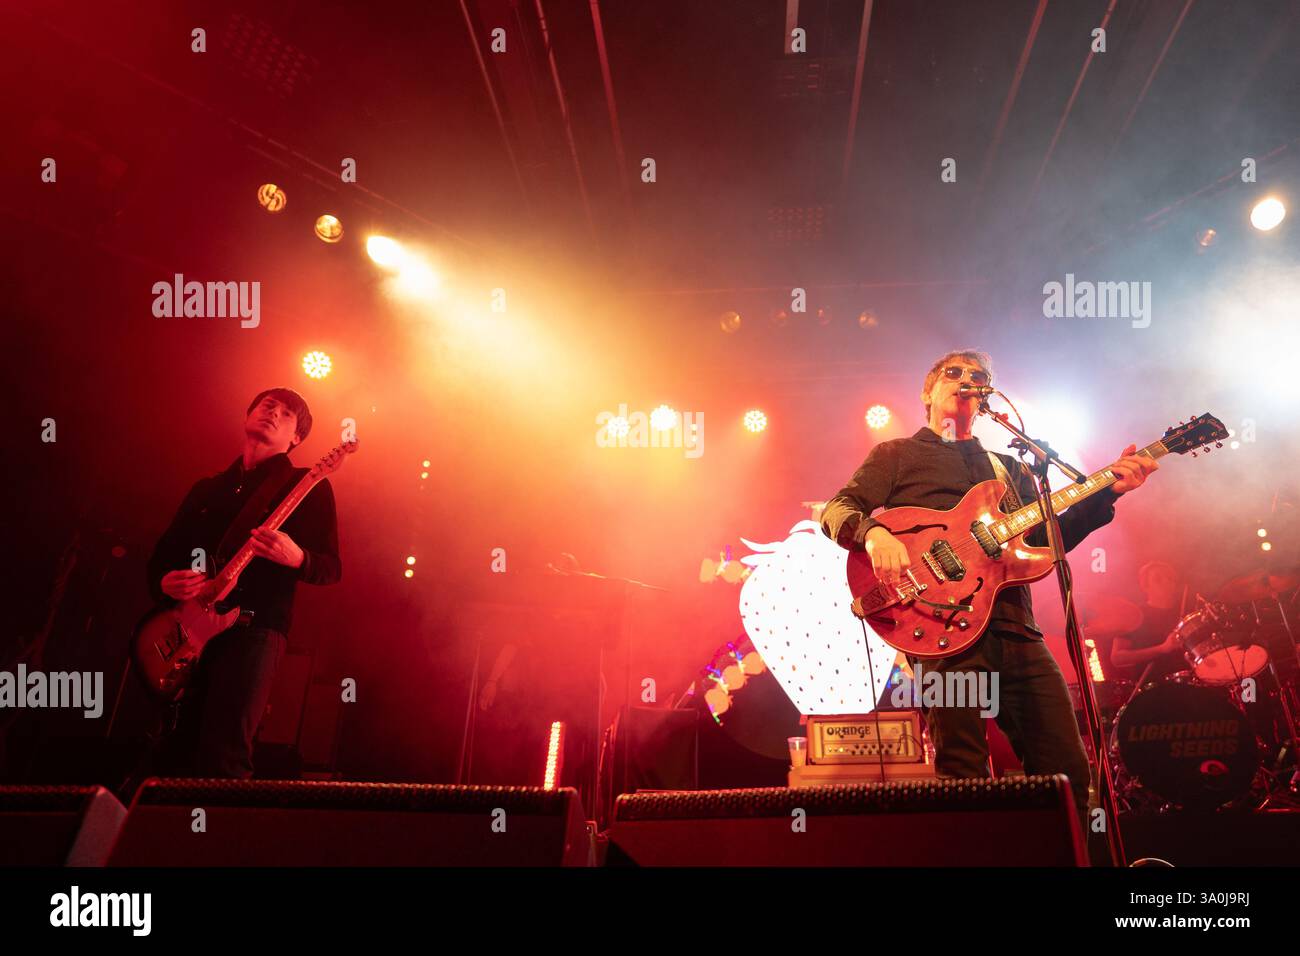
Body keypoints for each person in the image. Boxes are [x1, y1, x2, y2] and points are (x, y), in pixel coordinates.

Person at [821, 349, 1158, 828]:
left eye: (978, 376)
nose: (967, 380)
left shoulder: (1009, 468)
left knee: (1069, 774)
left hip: (1016, 630)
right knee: (965, 776)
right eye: (953, 373)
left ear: (986, 397)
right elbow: (836, 509)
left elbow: (1045, 542)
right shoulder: (896, 455)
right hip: (941, 631)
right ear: (928, 393)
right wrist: (874, 535)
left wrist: (1108, 492)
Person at [145, 387, 341, 778]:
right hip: (187, 631)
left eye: (287, 414)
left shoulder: (307, 486)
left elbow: (331, 567)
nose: (273, 412)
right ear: (246, 416)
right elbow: (161, 558)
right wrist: (166, 581)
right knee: (169, 751)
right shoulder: (208, 488)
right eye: (267, 405)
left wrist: (296, 556)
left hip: (254, 629)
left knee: (225, 755)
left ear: (296, 439)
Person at [1111, 561, 1189, 685]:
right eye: (1158, 579)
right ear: (1144, 586)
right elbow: (1117, 658)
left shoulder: (1189, 612)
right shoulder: (1134, 616)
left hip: (1191, 684)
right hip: (1154, 689)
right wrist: (1162, 648)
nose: (1166, 582)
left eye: (1170, 578)